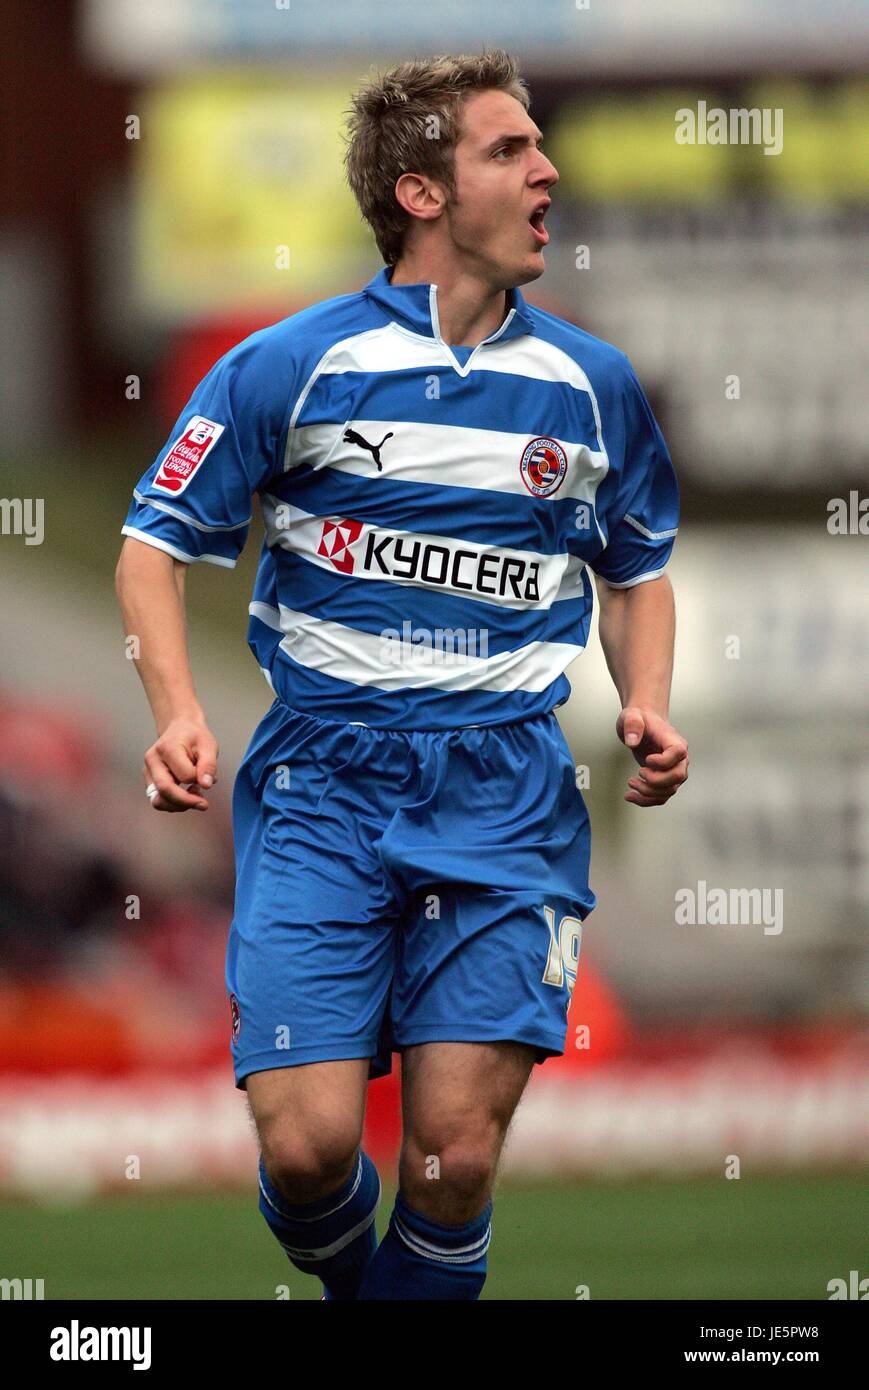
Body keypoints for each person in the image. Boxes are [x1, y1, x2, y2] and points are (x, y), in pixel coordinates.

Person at [115, 48, 689, 1300]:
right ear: (422, 194)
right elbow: (153, 545)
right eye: (508, 150)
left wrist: (643, 695)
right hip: (324, 784)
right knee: (313, 1144)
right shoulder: (290, 365)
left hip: (506, 792)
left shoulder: (588, 388)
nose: (548, 171)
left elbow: (635, 567)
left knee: (450, 1157)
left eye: (538, 146)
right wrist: (174, 714)